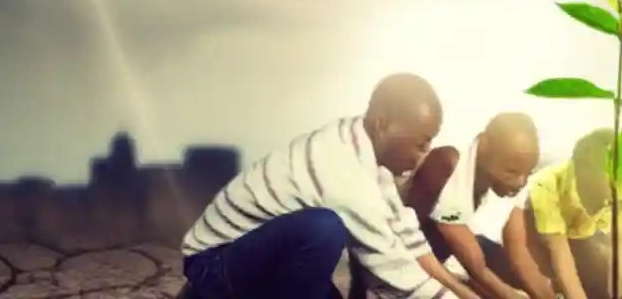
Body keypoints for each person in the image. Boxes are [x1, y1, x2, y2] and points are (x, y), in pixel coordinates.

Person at [178, 73, 478, 299]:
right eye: (421, 143)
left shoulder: (364, 146)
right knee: (323, 228)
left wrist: (465, 294)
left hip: (258, 252)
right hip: (213, 262)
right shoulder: (343, 171)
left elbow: (406, 235)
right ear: (382, 124)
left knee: (322, 234)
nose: (424, 155)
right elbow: (394, 271)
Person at [383, 112, 555, 299]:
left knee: (492, 255)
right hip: (399, 255)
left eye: (528, 173)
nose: (520, 182)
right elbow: (475, 268)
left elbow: (519, 255)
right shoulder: (449, 162)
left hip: (439, 252)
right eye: (512, 172)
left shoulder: (511, 168)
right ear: (486, 145)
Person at [526, 128, 622, 299]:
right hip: (540, 238)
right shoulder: (546, 183)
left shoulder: (621, 185)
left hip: (581, 237)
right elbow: (558, 250)